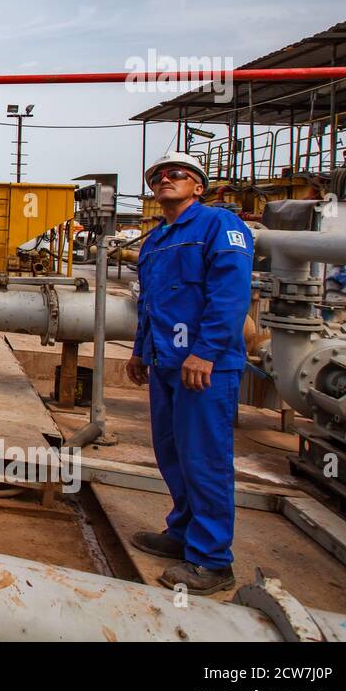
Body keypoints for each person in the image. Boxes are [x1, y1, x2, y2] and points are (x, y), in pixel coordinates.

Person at [126, 151, 253, 595]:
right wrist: (141, 351)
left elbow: (230, 294)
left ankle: (214, 560)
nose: (164, 179)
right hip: (165, 364)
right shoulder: (156, 239)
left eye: (176, 174)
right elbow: (152, 303)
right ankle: (183, 533)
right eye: (158, 176)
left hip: (204, 368)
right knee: (173, 452)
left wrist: (207, 352)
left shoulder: (220, 226)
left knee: (205, 458)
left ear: (198, 186)